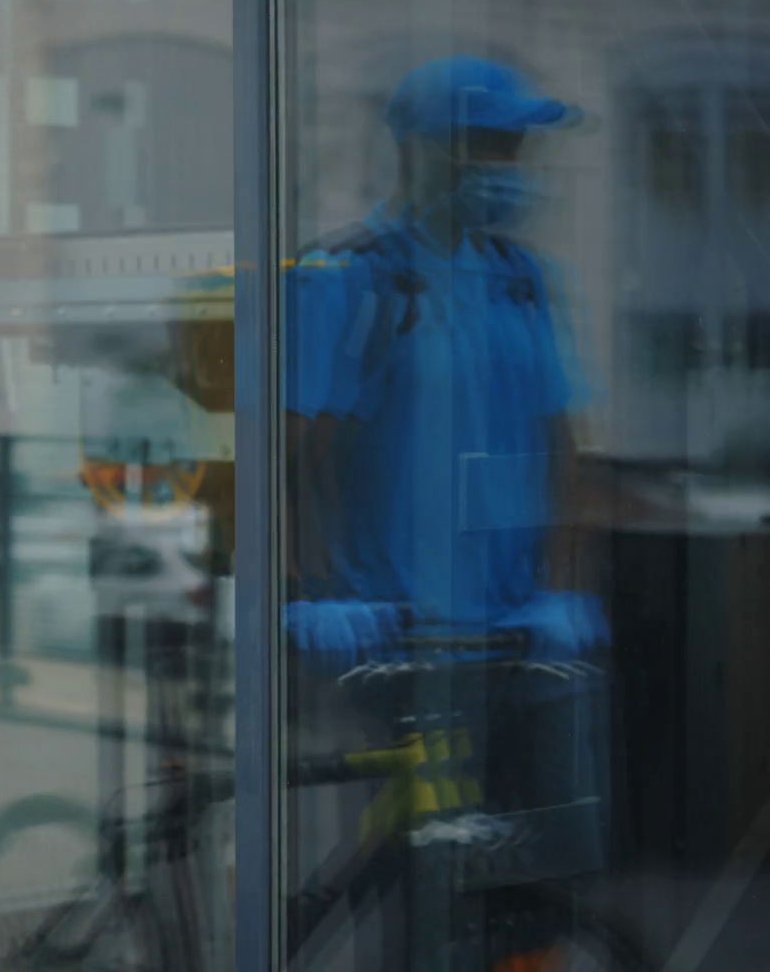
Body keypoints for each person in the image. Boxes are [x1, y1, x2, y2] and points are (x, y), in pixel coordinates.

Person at [283, 55, 609, 968]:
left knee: (537, 883)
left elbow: (564, 448)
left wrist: (560, 588)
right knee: (433, 888)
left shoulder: (524, 280)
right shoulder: (356, 276)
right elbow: (299, 457)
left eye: (517, 147)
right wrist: (319, 592)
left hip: (516, 636)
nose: (510, 166)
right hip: (403, 636)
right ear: (426, 151)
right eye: (491, 144)